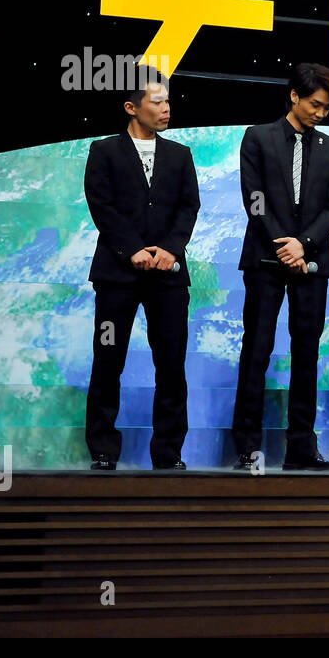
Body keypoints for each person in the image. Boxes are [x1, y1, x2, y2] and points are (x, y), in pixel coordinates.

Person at [231, 63, 329, 471]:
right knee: (257, 350)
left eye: (327, 109)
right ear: (294, 96)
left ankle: (301, 448)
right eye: (315, 104)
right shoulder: (258, 137)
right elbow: (255, 198)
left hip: (312, 262)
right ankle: (247, 447)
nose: (320, 113)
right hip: (267, 258)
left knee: (307, 354)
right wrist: (285, 244)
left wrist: (305, 244)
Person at [84, 65, 199, 470]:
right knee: (108, 358)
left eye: (167, 101)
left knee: (171, 364)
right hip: (117, 275)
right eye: (157, 101)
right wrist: (130, 249)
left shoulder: (180, 155)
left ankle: (168, 453)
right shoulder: (104, 151)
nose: (166, 108)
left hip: (168, 276)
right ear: (132, 107)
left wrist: (170, 250)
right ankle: (102, 450)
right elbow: (102, 204)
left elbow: (189, 207)